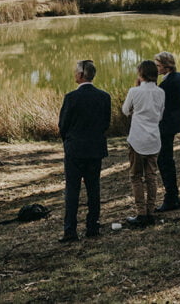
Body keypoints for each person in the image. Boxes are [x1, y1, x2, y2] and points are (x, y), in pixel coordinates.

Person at [58, 59, 111, 243]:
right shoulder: (104, 97)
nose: (74, 74)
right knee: (93, 188)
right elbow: (106, 123)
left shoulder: (71, 97)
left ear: (81, 75)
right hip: (95, 149)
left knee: (72, 190)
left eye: (75, 71)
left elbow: (62, 125)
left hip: (75, 150)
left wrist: (69, 141)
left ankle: (70, 230)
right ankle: (92, 226)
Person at [122, 59, 166, 229]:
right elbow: (160, 116)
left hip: (137, 139)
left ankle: (141, 213)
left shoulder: (134, 91)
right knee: (151, 176)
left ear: (141, 74)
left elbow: (126, 110)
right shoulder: (161, 92)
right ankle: (151, 211)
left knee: (136, 177)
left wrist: (136, 110)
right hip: (154, 138)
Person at [154, 51, 180, 212]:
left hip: (166, 125)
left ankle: (171, 197)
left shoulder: (166, 85)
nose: (156, 68)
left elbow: (160, 105)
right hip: (175, 122)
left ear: (166, 66)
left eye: (158, 65)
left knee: (164, 160)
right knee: (166, 159)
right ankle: (173, 196)